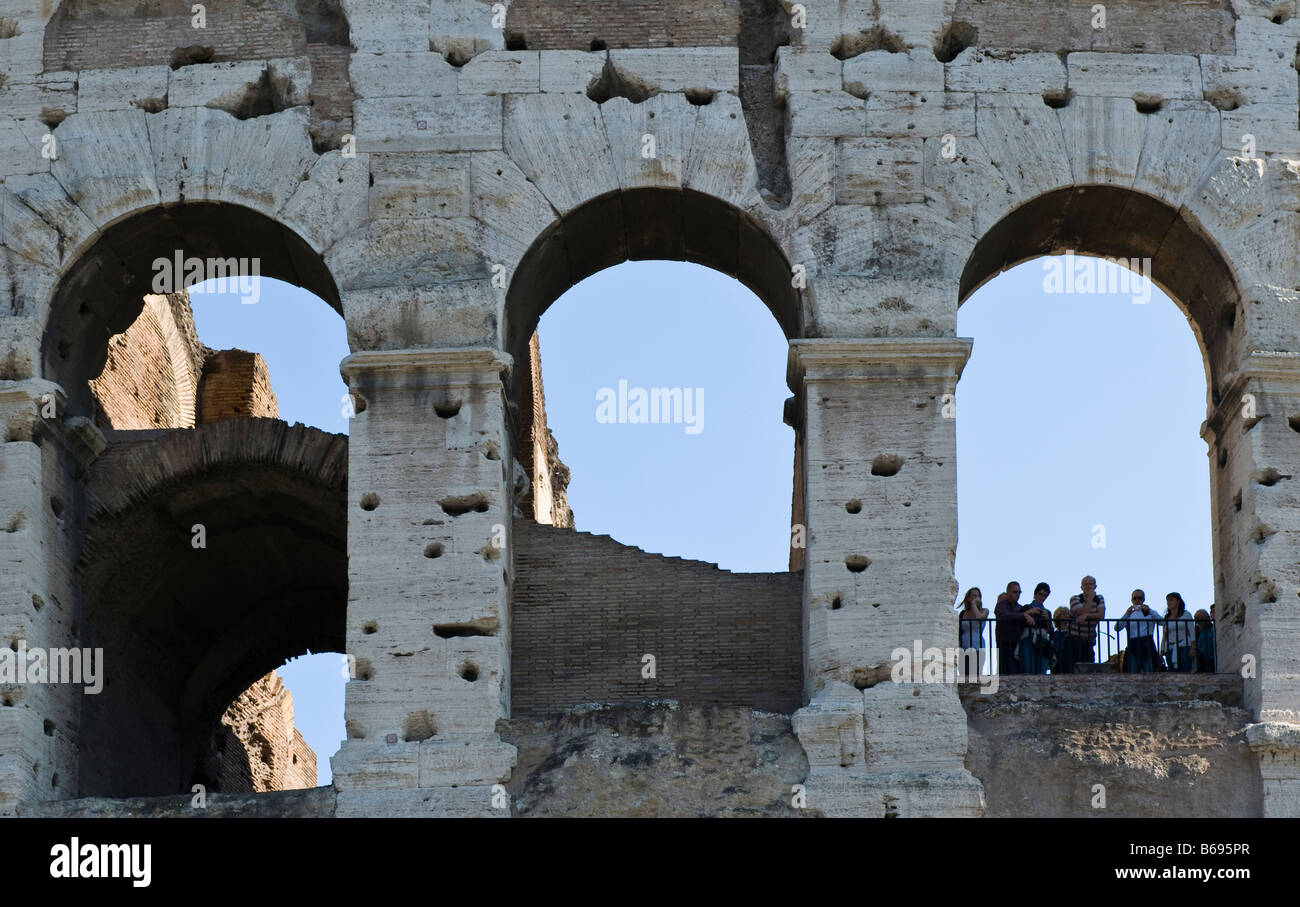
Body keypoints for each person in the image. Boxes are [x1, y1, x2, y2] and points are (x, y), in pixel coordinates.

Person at [1068, 575, 1106, 665]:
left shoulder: (1099, 598)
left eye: (1091, 584)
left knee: (1088, 668)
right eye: (1085, 584)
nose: (1088, 586)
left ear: (1095, 586)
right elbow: (1082, 612)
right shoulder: (1075, 599)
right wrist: (1090, 598)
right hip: (1073, 640)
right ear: (1081, 587)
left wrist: (1087, 616)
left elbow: (1101, 615)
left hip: (1089, 641)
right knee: (1072, 669)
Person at [1017, 582, 1054, 674]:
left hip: (1043, 641)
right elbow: (1017, 620)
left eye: (1045, 595)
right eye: (1040, 594)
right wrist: (1028, 613)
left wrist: (1048, 620)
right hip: (1028, 639)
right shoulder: (1026, 607)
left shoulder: (1047, 612)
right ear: (1035, 594)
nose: (1042, 597)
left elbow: (1051, 630)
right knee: (1027, 668)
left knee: (1042, 669)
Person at [1120, 589, 1159, 673]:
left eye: (1140, 598)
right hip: (1133, 644)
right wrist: (1126, 614)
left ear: (1143, 599)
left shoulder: (1150, 613)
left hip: (1147, 643)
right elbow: (1117, 627)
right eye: (1135, 598)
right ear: (1131, 600)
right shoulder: (1129, 615)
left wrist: (1150, 611)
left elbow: (1162, 622)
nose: (1137, 600)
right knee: (1133, 672)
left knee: (1149, 672)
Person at [956, 587, 988, 680]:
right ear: (968, 598)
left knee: (976, 675)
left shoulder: (984, 611)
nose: (976, 598)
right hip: (963, 647)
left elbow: (979, 617)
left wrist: (974, 605)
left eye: (978, 596)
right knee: (963, 675)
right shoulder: (962, 614)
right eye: (974, 595)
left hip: (977, 646)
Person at [994, 582, 1026, 675]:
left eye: (1019, 592)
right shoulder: (1001, 605)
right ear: (1008, 592)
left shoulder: (1020, 608)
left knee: (1016, 670)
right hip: (1004, 642)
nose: (1018, 595)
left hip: (1017, 643)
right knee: (1005, 670)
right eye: (1015, 592)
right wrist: (1023, 615)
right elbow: (1004, 616)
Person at [1163, 592, 1195, 672]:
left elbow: (1192, 631)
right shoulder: (1166, 618)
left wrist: (1193, 647)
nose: (1169, 602)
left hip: (1184, 645)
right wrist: (1162, 649)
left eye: (1171, 600)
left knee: (1185, 669)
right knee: (1172, 671)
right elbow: (1164, 636)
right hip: (1170, 647)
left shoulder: (1186, 615)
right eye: (1167, 600)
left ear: (1178, 601)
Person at [1051, 606, 1075, 674]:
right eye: (1063, 614)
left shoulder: (1072, 632)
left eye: (1067, 614)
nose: (1066, 616)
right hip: (1058, 656)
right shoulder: (1055, 634)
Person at [1194, 608, 1216, 673]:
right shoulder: (1196, 631)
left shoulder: (1213, 628)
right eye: (1197, 620)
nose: (1199, 622)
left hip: (1212, 656)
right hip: (1202, 657)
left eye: (1201, 618)